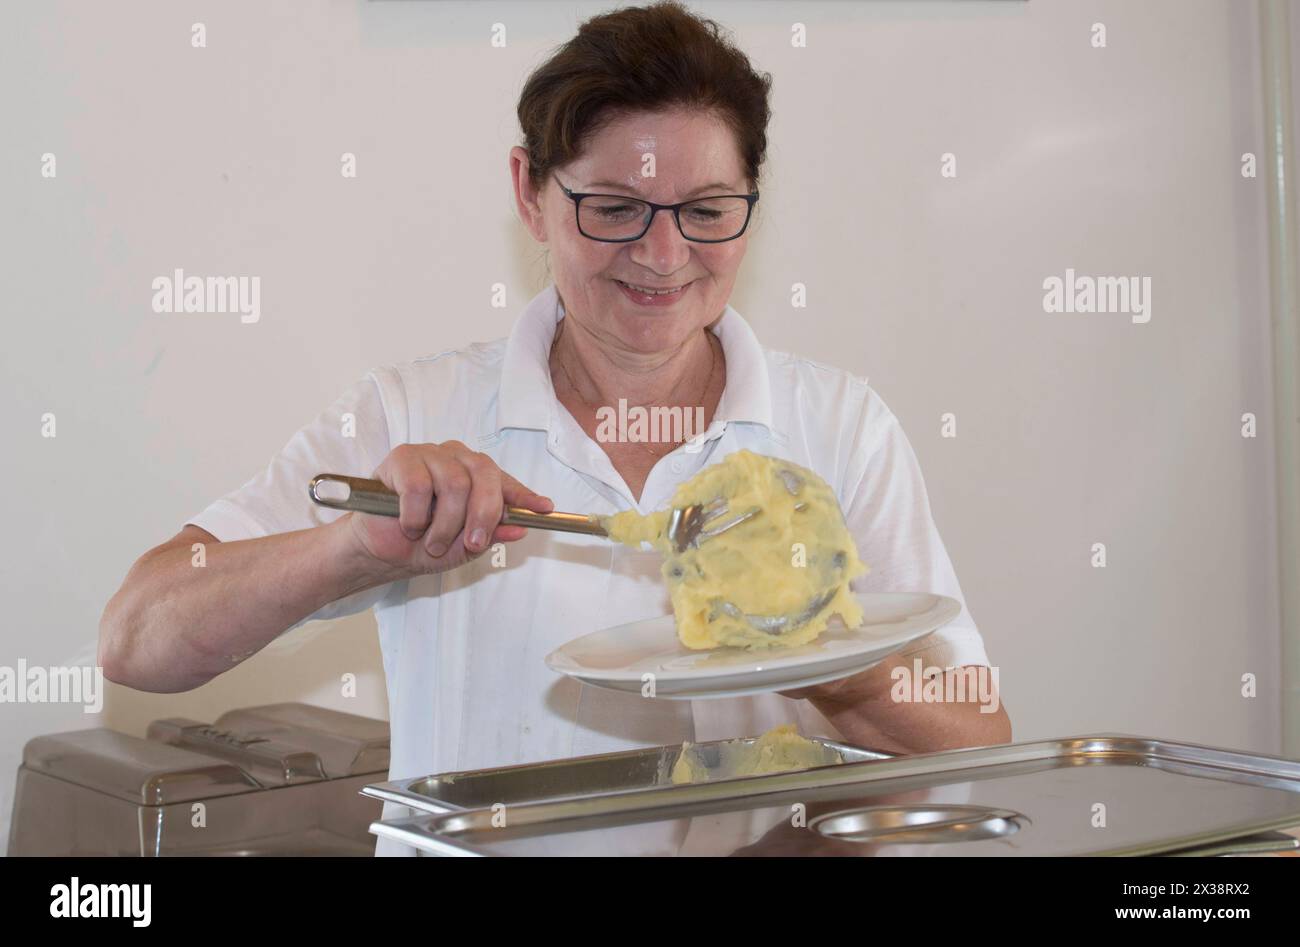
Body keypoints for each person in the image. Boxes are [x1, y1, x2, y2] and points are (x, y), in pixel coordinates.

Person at [99, 0, 1010, 855]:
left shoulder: (840, 428)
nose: (663, 255)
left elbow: (976, 730)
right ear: (531, 194)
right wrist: (357, 551)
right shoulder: (413, 413)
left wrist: (821, 652)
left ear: (751, 207)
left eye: (705, 211)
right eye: (613, 208)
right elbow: (137, 638)